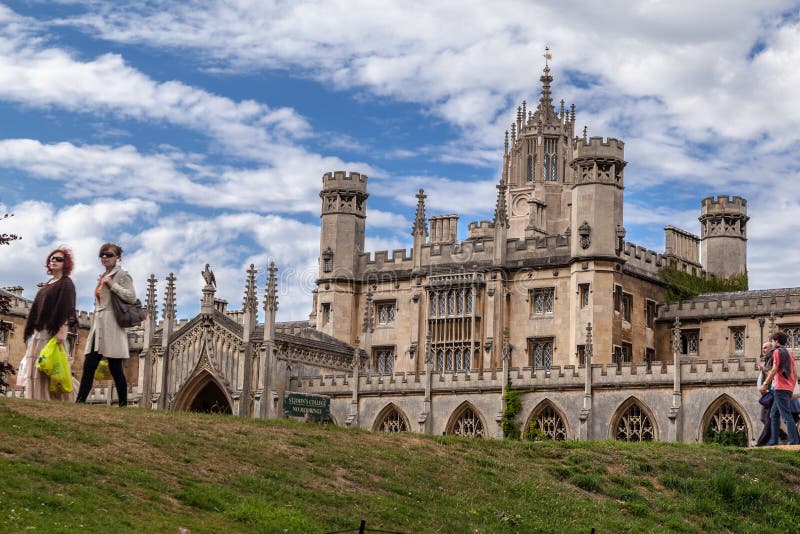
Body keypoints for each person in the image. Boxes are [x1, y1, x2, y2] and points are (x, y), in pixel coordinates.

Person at [76, 243, 136, 407]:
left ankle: (123, 405)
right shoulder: (103, 275)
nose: (104, 257)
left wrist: (113, 285)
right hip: (98, 326)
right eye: (102, 255)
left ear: (117, 257)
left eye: (108, 254)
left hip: (112, 326)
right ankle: (79, 403)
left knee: (116, 368)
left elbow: (131, 297)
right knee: (89, 365)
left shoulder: (122, 275)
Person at [20, 247, 77, 401]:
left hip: (52, 332)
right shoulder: (48, 283)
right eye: (52, 259)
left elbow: (67, 307)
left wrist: (63, 328)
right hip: (40, 331)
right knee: (38, 367)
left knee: (52, 367)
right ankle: (37, 399)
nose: (54, 261)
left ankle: (67, 400)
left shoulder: (66, 283)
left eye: (58, 259)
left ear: (66, 264)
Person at [760, 331, 800, 446]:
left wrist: (765, 384)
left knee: (786, 416)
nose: (772, 343)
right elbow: (795, 374)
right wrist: (792, 389)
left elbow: (774, 369)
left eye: (772, 341)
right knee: (774, 414)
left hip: (780, 388)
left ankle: (794, 441)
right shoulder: (789, 354)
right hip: (787, 389)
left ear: (776, 341)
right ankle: (773, 441)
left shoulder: (777, 352)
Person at [755, 341, 774, 446]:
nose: (763, 350)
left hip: (771, 393)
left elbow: (773, 374)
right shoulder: (768, 359)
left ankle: (761, 443)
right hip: (767, 394)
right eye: (763, 348)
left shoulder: (773, 359)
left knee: (768, 418)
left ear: (771, 348)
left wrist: (764, 369)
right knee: (764, 418)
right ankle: (781, 435)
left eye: (765, 348)